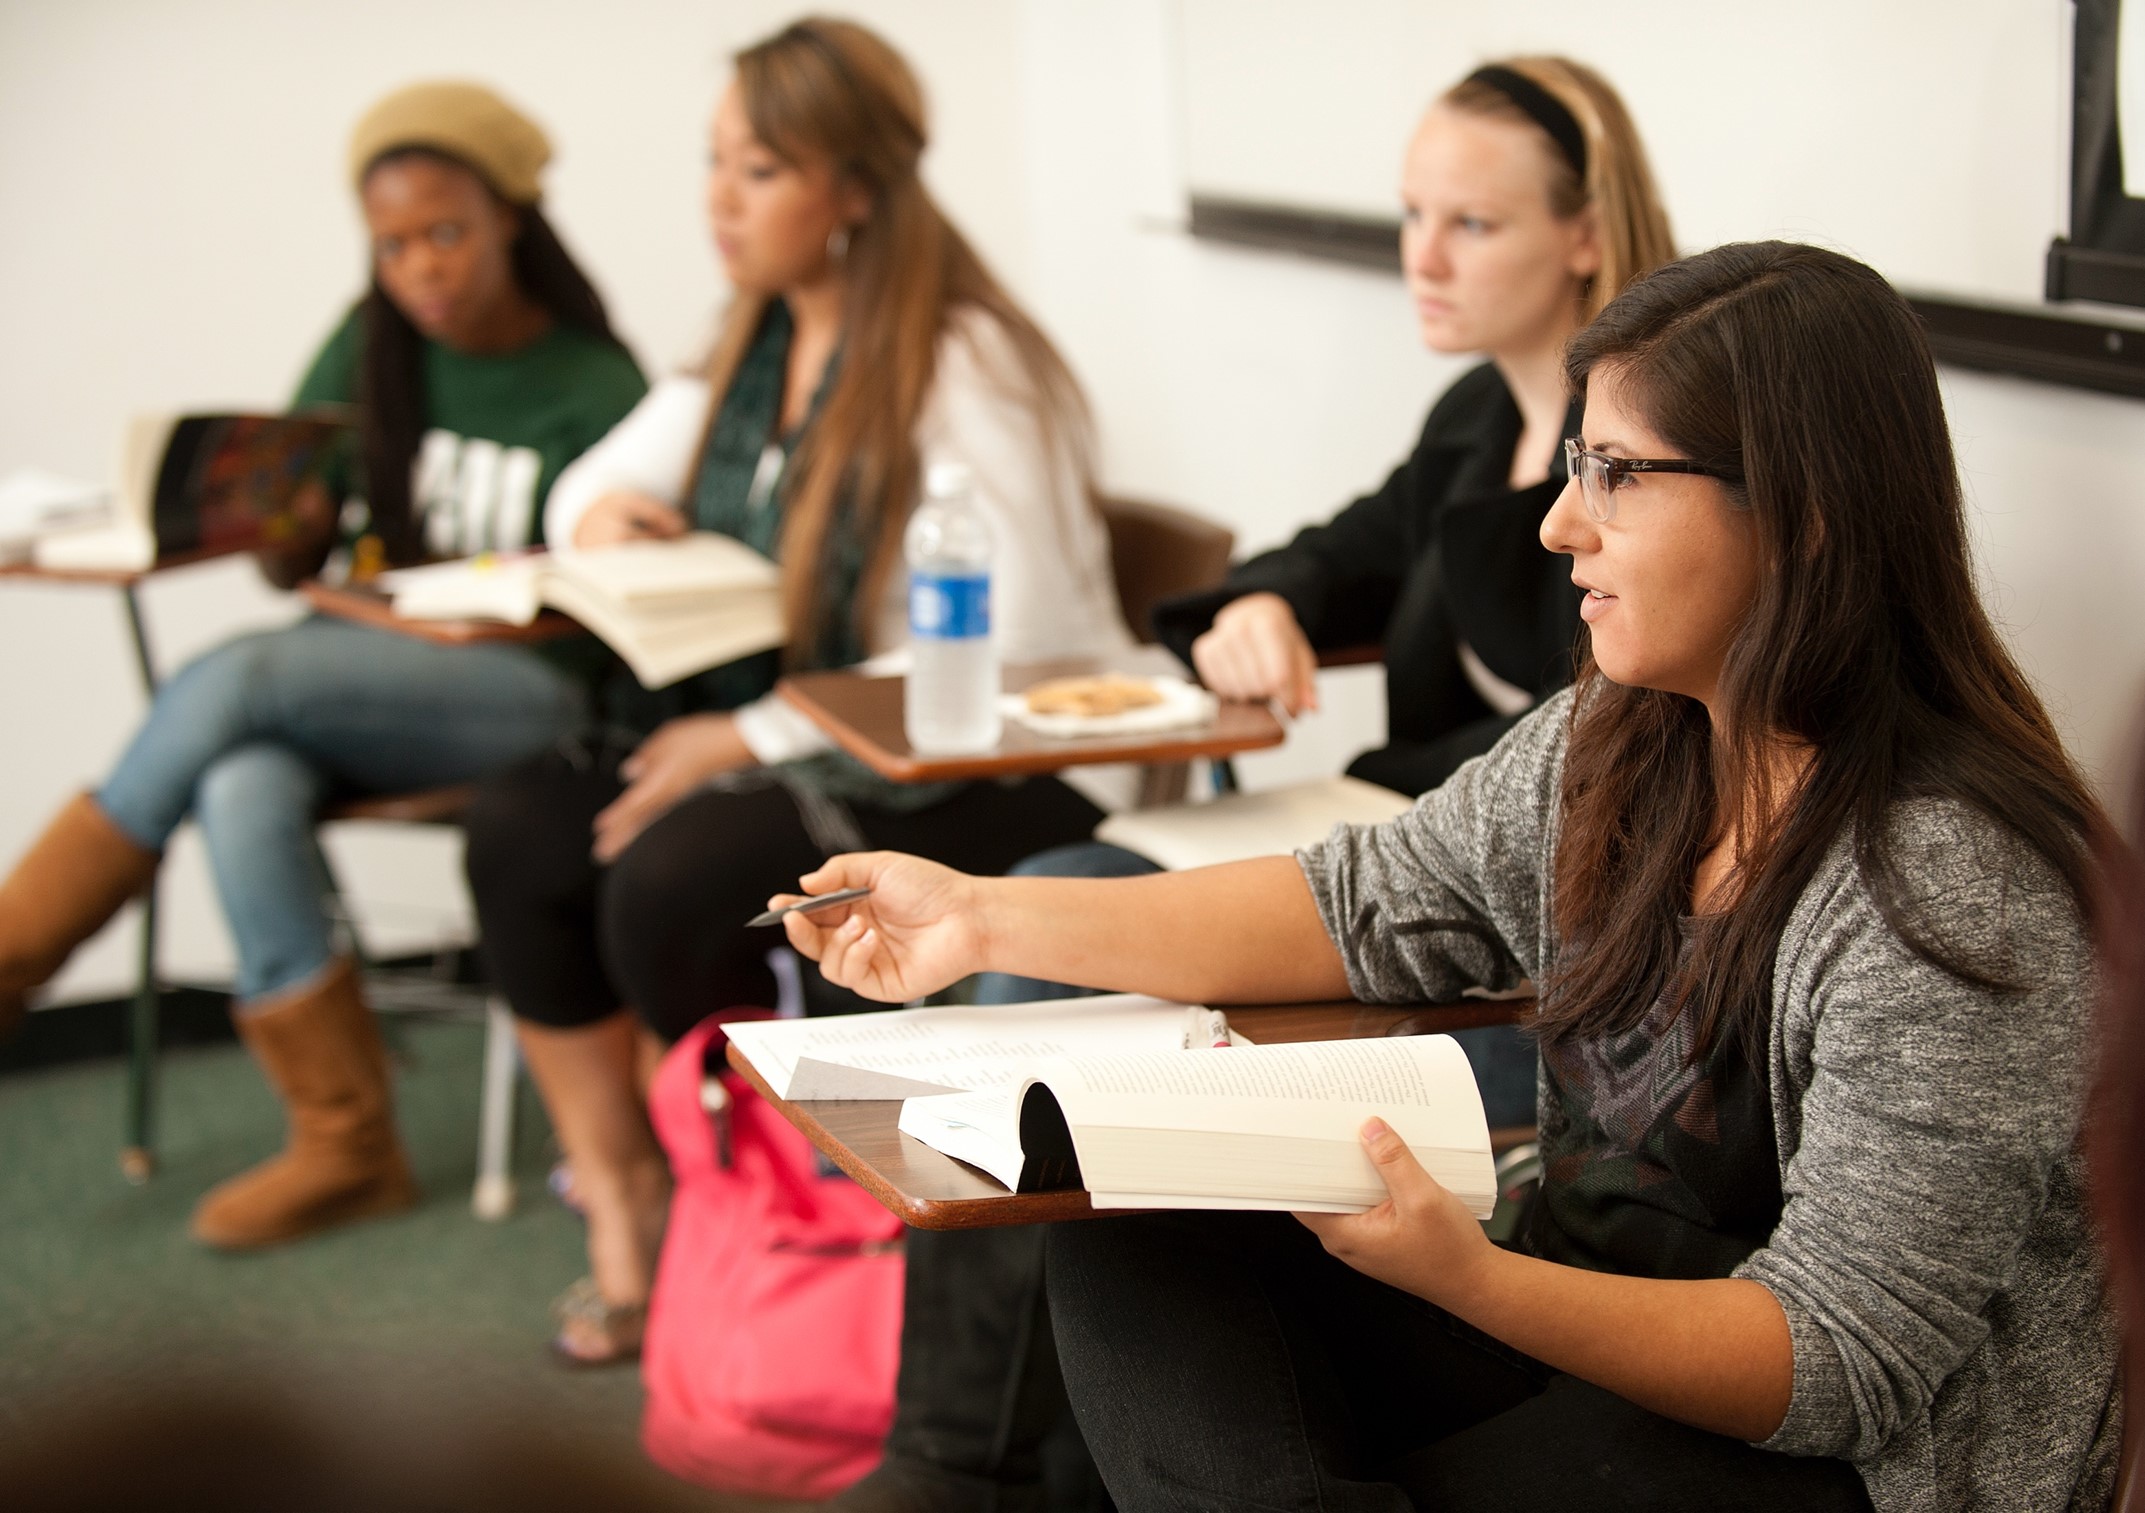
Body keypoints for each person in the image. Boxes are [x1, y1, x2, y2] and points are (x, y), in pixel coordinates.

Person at [776, 242, 2120, 1510]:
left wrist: (1464, 1279)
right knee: (1137, 1235)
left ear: (1806, 516)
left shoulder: (1946, 884)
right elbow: (1361, 905)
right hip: (1568, 1299)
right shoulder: (1618, 739)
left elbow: (1833, 1363)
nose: (1557, 527)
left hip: (1844, 1461)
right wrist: (980, 911)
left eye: (1618, 476)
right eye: (1572, 465)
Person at [888, 57, 1675, 1513]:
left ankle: (991, 1469)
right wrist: (1262, 606)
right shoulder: (1466, 423)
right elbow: (1318, 557)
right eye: (1408, 215)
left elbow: (1599, 760)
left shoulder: (1646, 482)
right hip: (1379, 858)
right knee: (1028, 932)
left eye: (1470, 225)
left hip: (1490, 921)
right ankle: (972, 1461)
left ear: (1583, 233)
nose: (1419, 258)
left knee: (1070, 1032)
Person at [459, 17, 1128, 1366]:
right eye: (713, 164)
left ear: (856, 189)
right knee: (521, 828)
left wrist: (743, 734)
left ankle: (794, 1234)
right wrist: (599, 522)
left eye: (756, 171)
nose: (717, 201)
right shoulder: (752, 349)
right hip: (814, 741)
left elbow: (1024, 648)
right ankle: (638, 1199)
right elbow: (589, 479)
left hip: (982, 762)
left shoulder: (965, 362)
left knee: (666, 878)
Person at [0, 82, 645, 1251]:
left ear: (510, 216)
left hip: (530, 687)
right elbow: (296, 534)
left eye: (444, 232)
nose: (421, 269)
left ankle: (15, 953)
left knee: (239, 682)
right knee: (240, 773)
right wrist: (255, 514)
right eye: (392, 245)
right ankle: (349, 1142)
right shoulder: (370, 345)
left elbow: (625, 604)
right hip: (361, 666)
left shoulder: (597, 385)